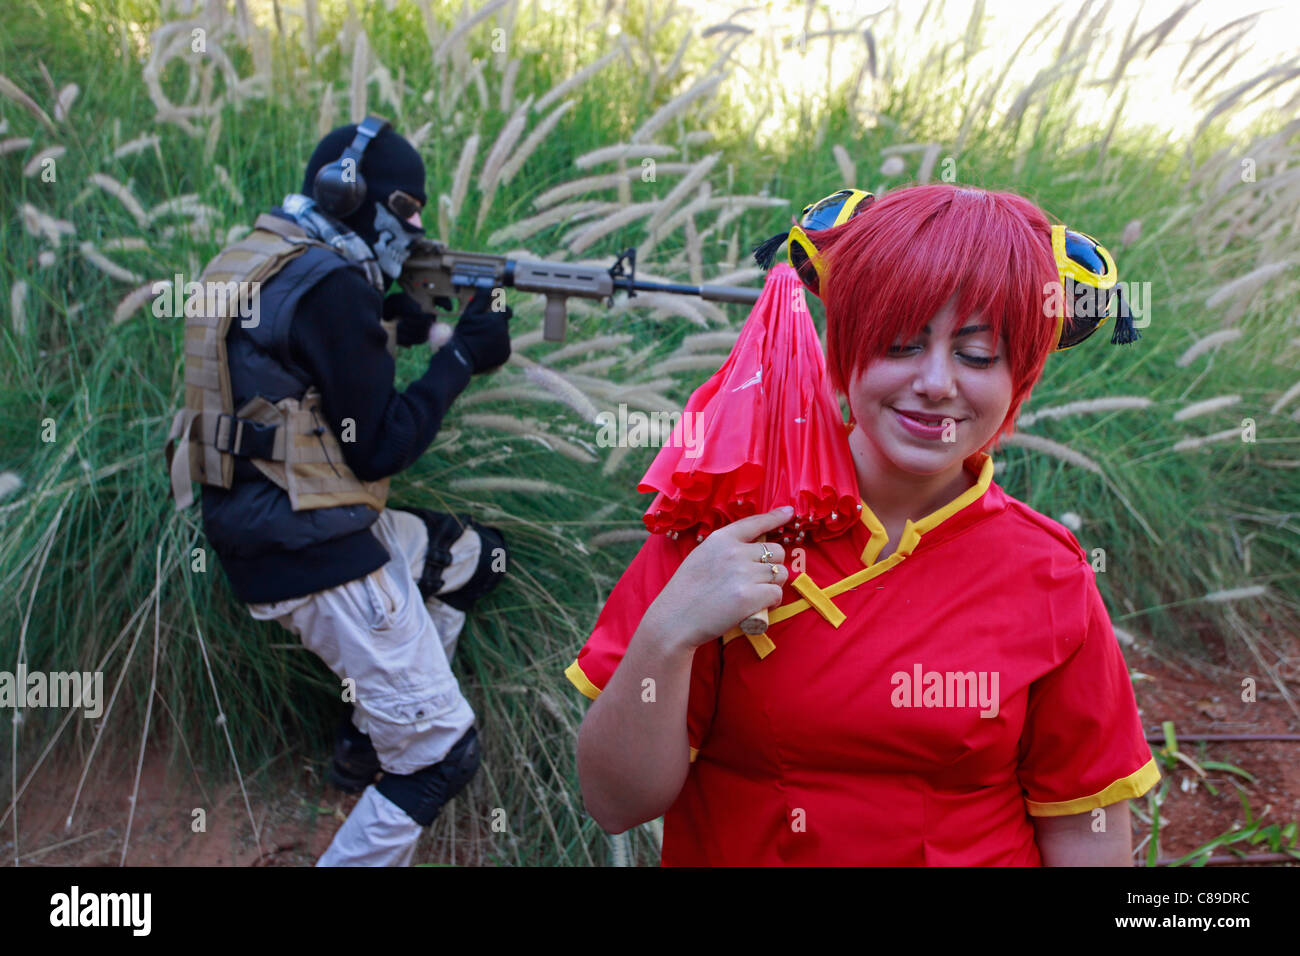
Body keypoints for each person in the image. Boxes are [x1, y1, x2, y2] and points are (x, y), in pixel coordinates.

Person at [566, 183, 1158, 865]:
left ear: (1018, 378)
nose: (936, 383)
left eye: (976, 355)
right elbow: (616, 803)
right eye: (900, 343)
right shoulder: (726, 524)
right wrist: (669, 632)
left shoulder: (1049, 571)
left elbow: (1084, 828)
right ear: (843, 345)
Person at [165, 116, 512, 866]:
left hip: (256, 520)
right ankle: (406, 747)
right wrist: (463, 360)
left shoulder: (258, 258)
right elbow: (378, 445)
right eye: (407, 206)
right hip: (309, 546)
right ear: (348, 191)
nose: (416, 226)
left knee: (472, 559)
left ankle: (365, 746)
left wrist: (408, 326)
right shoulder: (329, 286)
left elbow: (299, 365)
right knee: (442, 760)